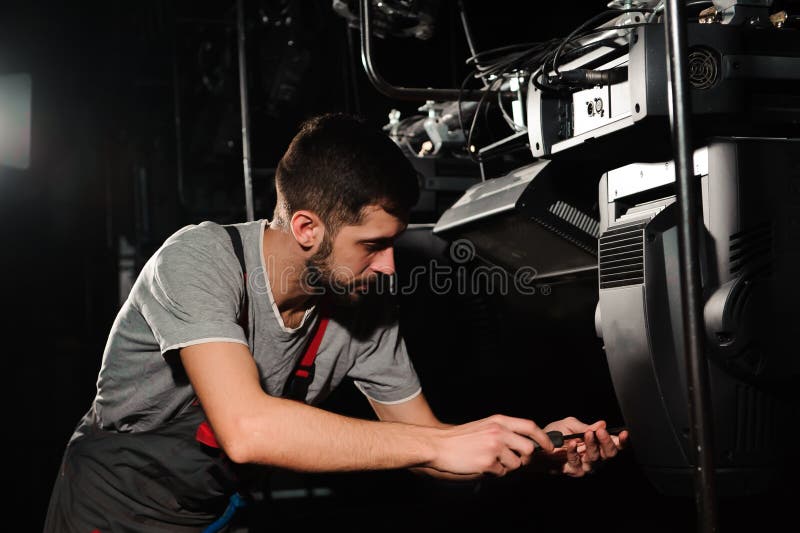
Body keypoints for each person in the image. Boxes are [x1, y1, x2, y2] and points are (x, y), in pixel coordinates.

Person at [44, 112, 628, 532]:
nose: (390, 266)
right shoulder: (198, 261)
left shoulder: (364, 310)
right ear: (306, 229)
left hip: (207, 513)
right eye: (372, 245)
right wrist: (447, 444)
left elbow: (427, 446)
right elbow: (248, 432)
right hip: (109, 510)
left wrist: (528, 449)